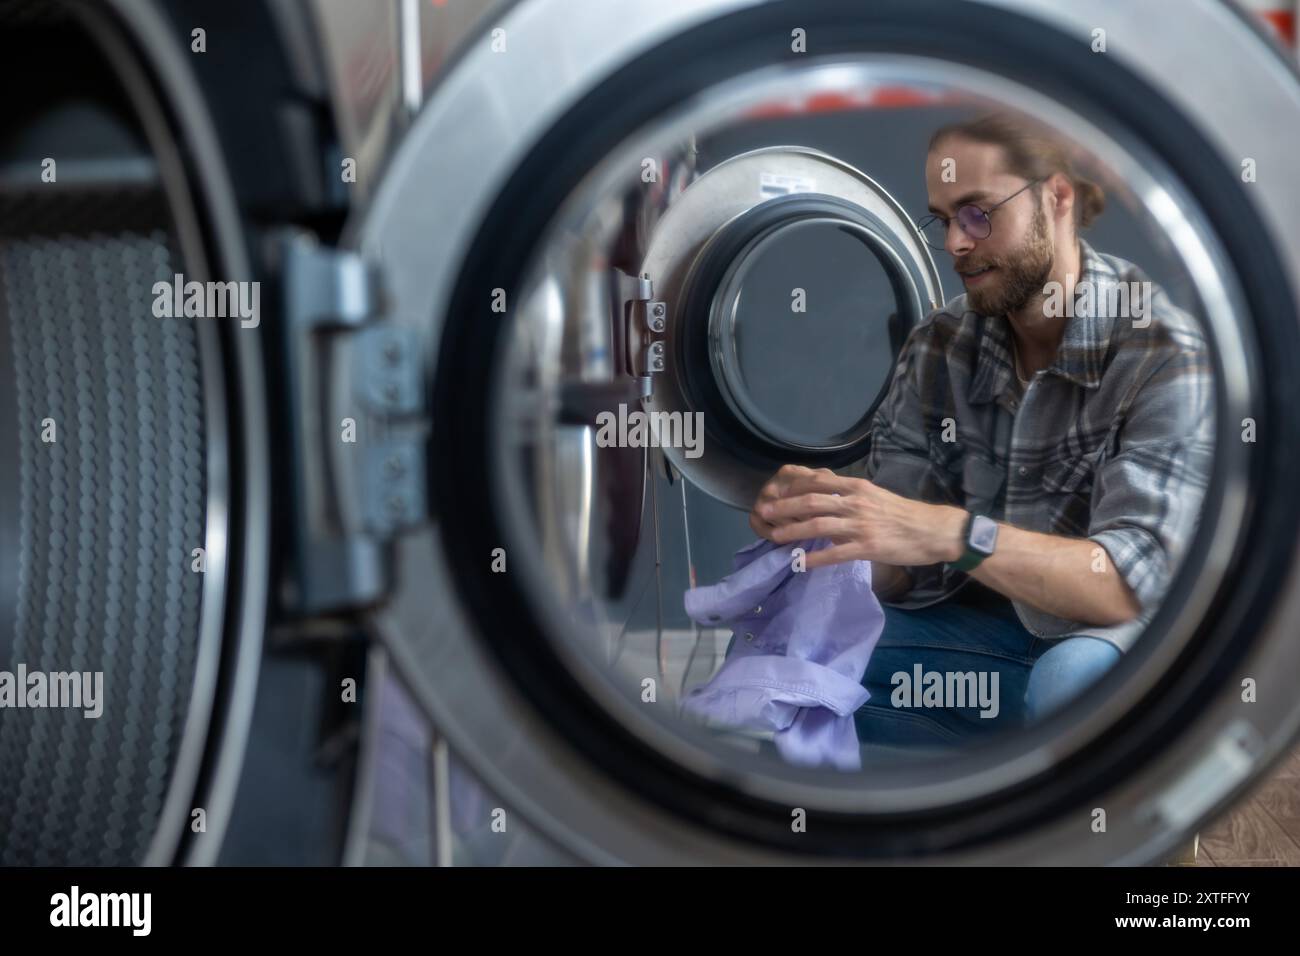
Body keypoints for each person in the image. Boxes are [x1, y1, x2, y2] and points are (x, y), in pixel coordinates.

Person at [747, 113, 1214, 749]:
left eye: (977, 212)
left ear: (1057, 197)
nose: (956, 245)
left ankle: (1125, 815)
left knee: (1073, 683)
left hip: (1114, 646)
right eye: (943, 219)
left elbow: (1127, 587)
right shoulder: (939, 347)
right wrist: (828, 532)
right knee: (779, 664)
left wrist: (949, 533)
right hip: (981, 648)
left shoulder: (1163, 351)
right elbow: (899, 568)